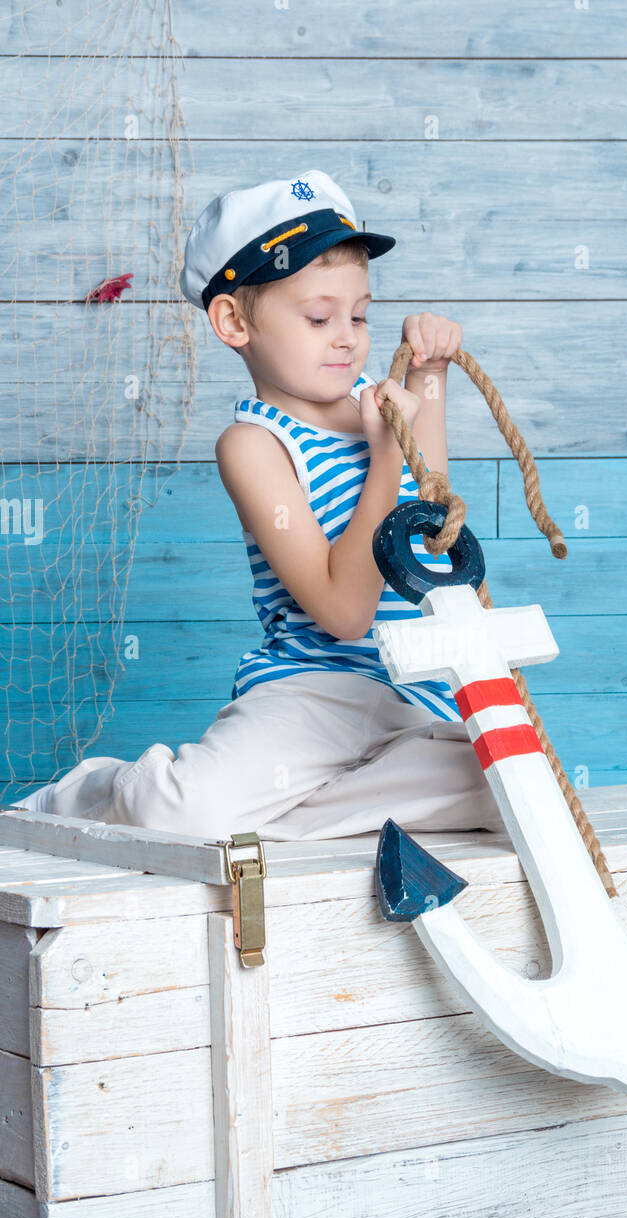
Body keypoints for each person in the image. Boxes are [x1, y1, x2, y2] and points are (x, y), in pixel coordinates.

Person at [11, 169, 507, 841]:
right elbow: (343, 613)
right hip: (313, 697)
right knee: (184, 813)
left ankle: (271, 817)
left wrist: (429, 375)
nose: (347, 337)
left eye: (360, 315)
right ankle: (91, 795)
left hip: (417, 697)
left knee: (500, 786)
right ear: (234, 320)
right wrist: (387, 455)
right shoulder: (253, 446)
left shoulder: (380, 407)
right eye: (318, 317)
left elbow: (434, 531)